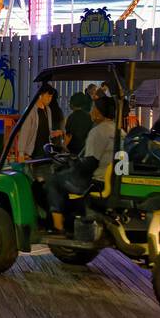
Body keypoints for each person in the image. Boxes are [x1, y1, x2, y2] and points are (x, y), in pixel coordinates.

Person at [46, 94, 118, 234]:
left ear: (98, 112)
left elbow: (89, 164)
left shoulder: (98, 132)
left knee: (54, 181)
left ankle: (57, 227)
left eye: (93, 109)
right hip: (111, 180)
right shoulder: (118, 130)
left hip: (96, 181)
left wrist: (73, 165)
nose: (91, 112)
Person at [27, 85, 65, 159]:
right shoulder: (58, 111)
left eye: (50, 97)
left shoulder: (46, 110)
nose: (49, 99)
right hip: (54, 146)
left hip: (42, 147)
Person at [63, 91, 92, 155]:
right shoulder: (89, 116)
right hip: (85, 149)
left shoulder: (72, 117)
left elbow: (69, 135)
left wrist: (64, 146)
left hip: (73, 150)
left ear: (72, 104)